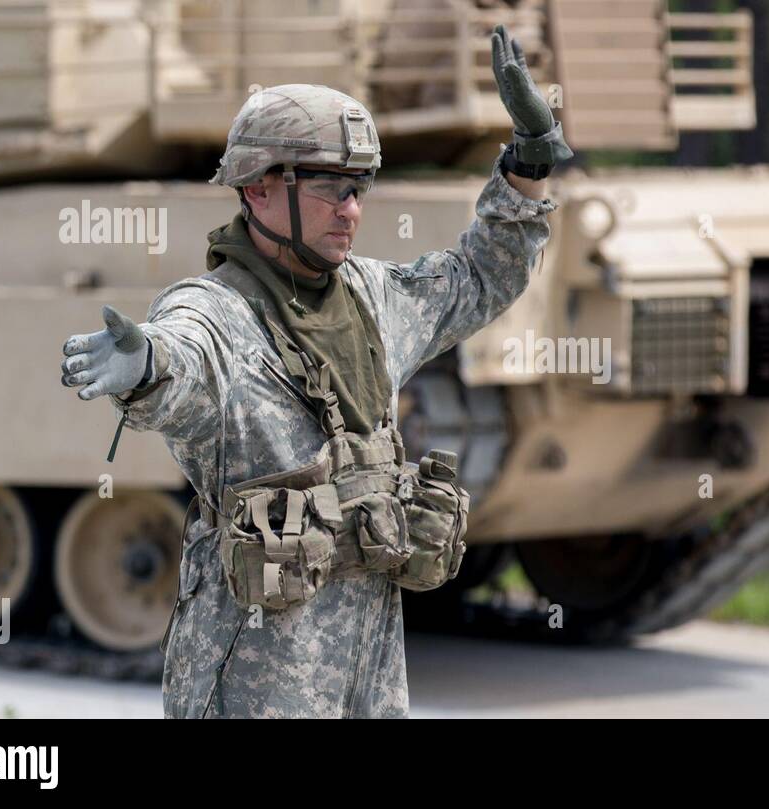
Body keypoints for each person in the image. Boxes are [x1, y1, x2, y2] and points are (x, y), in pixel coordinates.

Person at [59, 25, 571, 718]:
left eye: (359, 187)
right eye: (330, 186)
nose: (351, 208)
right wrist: (147, 361)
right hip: (257, 672)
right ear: (260, 189)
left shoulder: (371, 295)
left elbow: (480, 275)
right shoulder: (220, 311)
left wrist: (529, 161)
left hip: (369, 660)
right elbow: (188, 353)